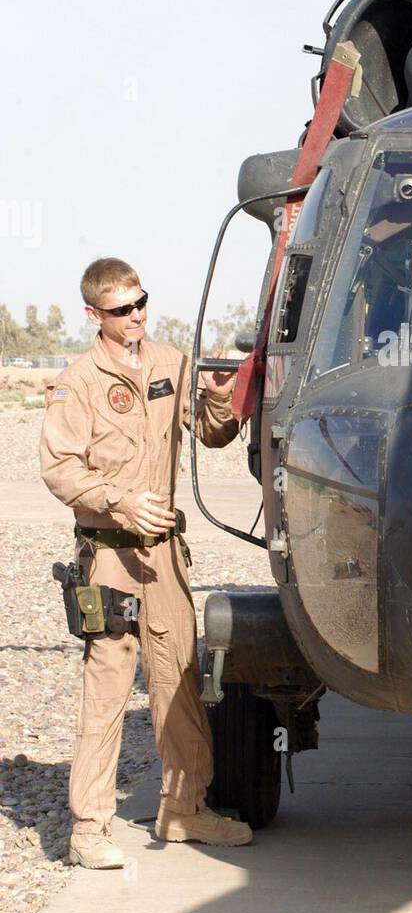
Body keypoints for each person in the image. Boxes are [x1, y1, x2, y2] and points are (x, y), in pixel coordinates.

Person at [40, 257, 253, 868]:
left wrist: (217, 403)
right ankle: (89, 828)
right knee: (108, 688)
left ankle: (184, 809)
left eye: (140, 303)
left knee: (178, 678)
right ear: (93, 316)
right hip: (108, 557)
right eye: (119, 309)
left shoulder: (171, 364)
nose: (134, 317)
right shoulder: (76, 382)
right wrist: (120, 501)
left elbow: (212, 436)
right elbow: (60, 469)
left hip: (164, 557)